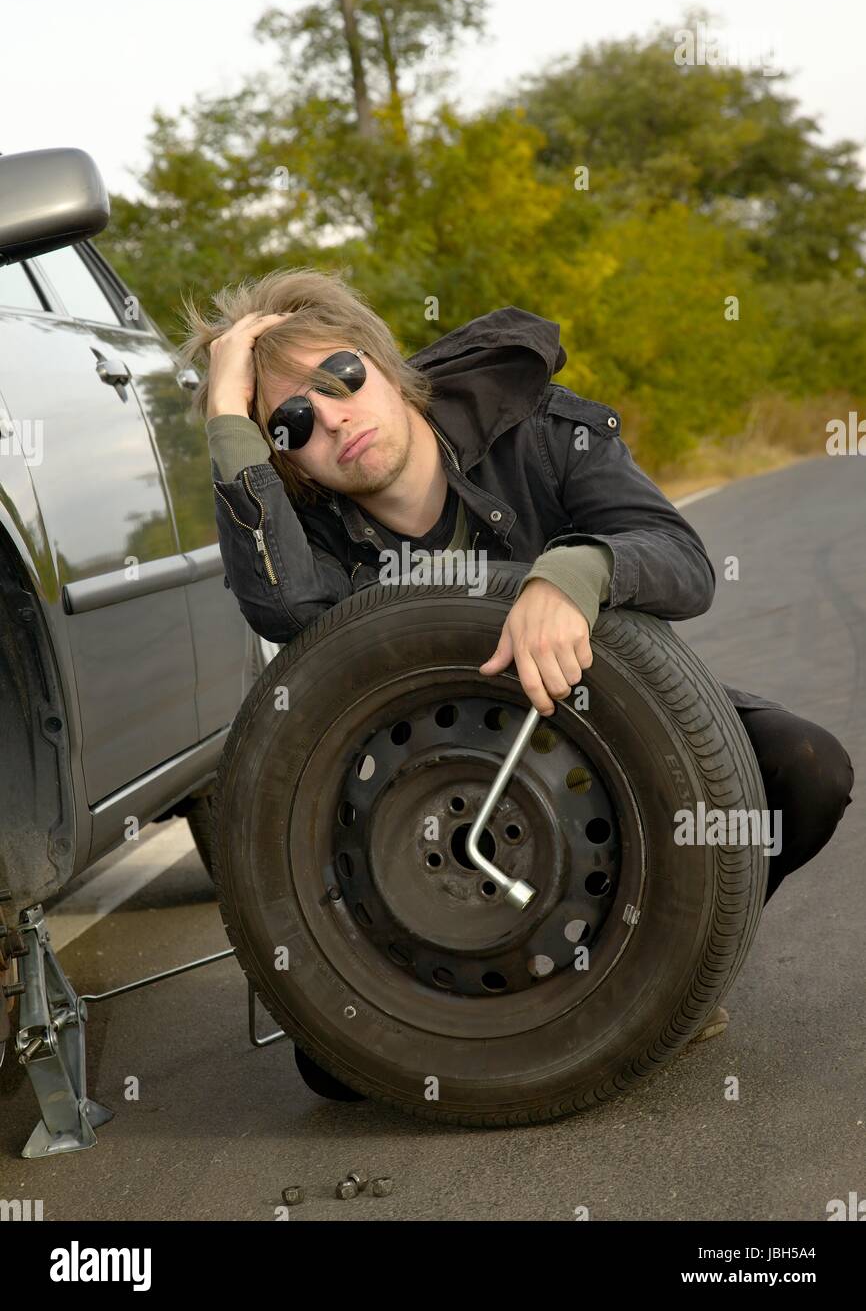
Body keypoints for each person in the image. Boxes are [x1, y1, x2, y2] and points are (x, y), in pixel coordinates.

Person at [180, 268, 854, 1057]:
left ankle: (667, 978)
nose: (331, 419)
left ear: (384, 363)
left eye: (340, 378)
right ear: (285, 458)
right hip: (423, 802)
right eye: (290, 423)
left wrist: (573, 571)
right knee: (335, 1070)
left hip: (608, 744)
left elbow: (682, 560)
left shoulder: (539, 432)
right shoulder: (312, 532)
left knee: (805, 771)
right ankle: (486, 1020)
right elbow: (285, 612)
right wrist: (227, 417)